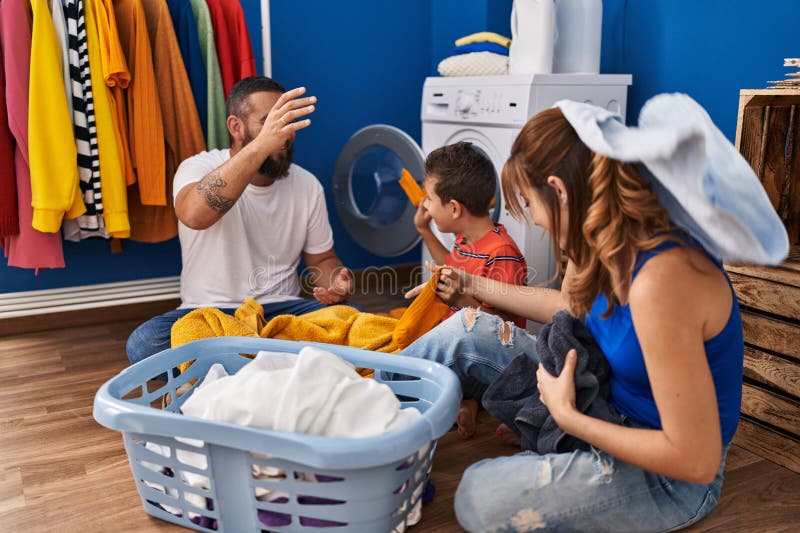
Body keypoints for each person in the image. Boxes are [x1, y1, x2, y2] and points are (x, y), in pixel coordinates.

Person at [399, 106, 745, 531]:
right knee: (463, 330)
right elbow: (569, 305)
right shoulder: (602, 240)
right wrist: (469, 283)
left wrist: (568, 417)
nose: (537, 221)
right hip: (600, 396)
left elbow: (695, 460)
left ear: (559, 191)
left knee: (478, 495)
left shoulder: (662, 281)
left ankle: (564, 454)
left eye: (530, 203)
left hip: (672, 476)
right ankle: (360, 417)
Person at [126, 77, 353, 364]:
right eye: (270, 122)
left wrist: (335, 281)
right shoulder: (197, 168)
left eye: (286, 121)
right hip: (209, 315)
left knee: (352, 320)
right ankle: (280, 365)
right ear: (236, 127)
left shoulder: (307, 185)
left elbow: (322, 260)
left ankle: (235, 368)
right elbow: (194, 215)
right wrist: (261, 146)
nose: (284, 133)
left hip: (282, 313)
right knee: (145, 344)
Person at [411, 141, 528, 438]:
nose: (425, 205)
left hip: (485, 359)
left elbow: (503, 332)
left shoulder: (501, 253)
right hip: (461, 347)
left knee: (427, 380)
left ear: (453, 208)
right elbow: (451, 268)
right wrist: (424, 230)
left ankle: (463, 402)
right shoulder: (466, 239)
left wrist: (461, 300)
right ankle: (466, 404)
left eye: (429, 199)